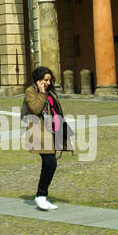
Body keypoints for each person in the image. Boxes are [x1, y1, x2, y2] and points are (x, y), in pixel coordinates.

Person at [23, 66, 70, 211]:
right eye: (45, 80)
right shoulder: (30, 91)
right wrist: (42, 93)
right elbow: (35, 109)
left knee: (47, 164)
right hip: (39, 133)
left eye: (50, 80)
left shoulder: (50, 91)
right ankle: (41, 196)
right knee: (51, 164)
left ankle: (43, 196)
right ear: (38, 80)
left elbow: (56, 109)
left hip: (52, 131)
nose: (48, 83)